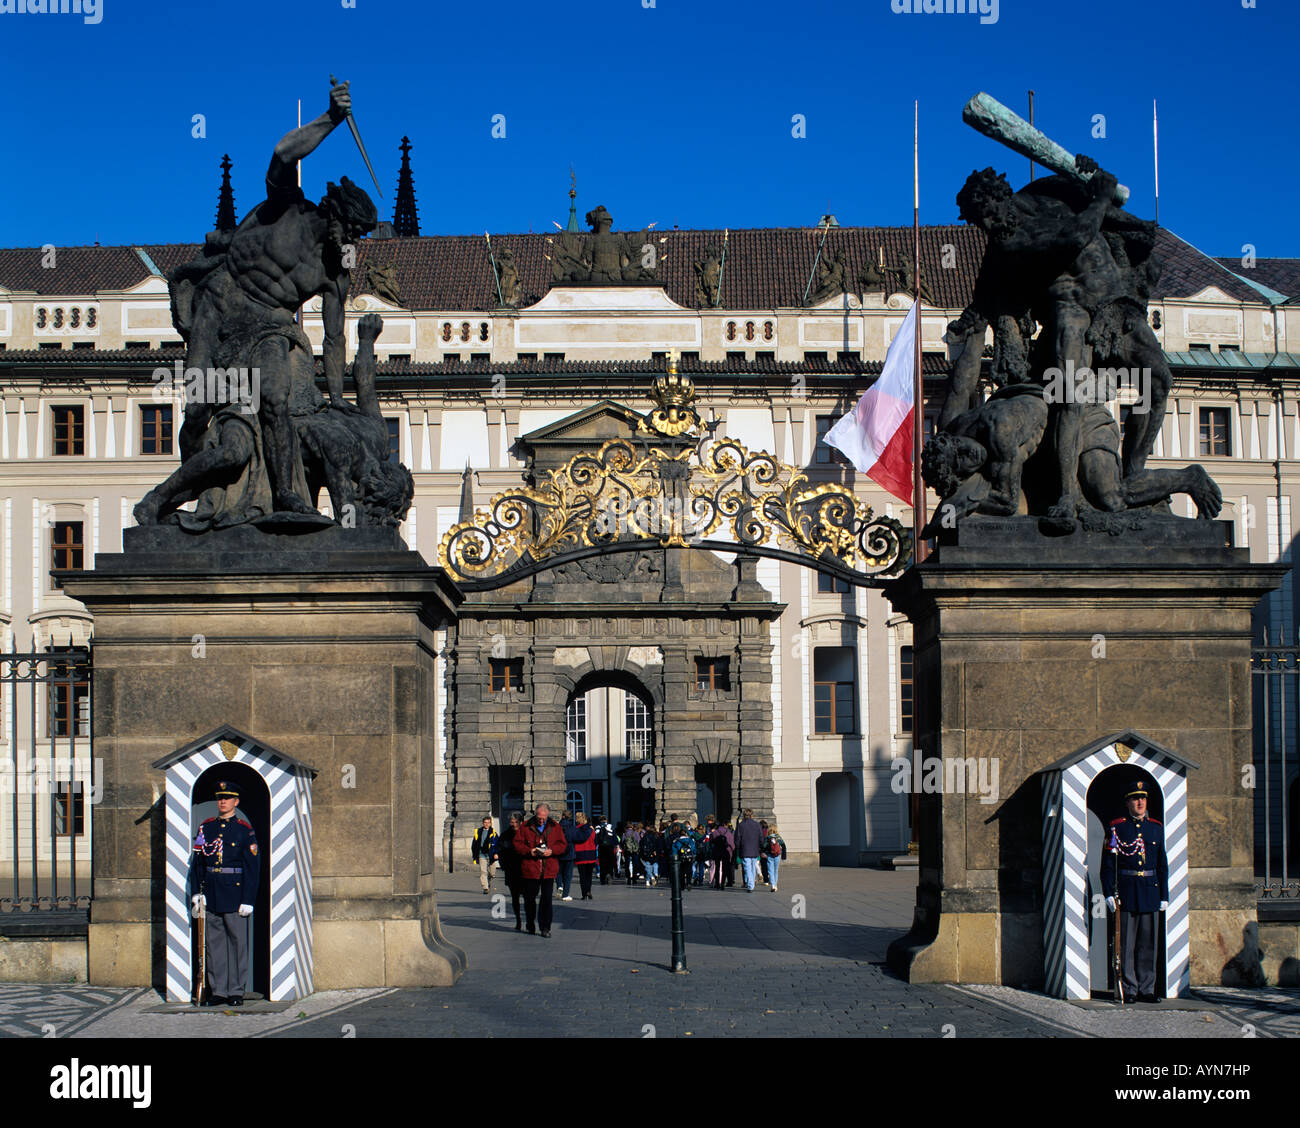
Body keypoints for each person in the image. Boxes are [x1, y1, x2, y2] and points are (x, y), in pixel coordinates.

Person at [190, 780, 261, 1006]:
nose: (222, 801)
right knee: (214, 945)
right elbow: (199, 862)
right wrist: (196, 892)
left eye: (227, 798)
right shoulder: (206, 827)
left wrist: (248, 899)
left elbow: (252, 867)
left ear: (235, 802)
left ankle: (236, 991)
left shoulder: (243, 830)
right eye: (220, 797)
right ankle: (219, 990)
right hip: (212, 891)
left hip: (235, 893)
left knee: (238, 944)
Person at [1101, 780, 1169, 1003]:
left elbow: (1162, 864)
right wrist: (1109, 892)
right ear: (1128, 802)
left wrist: (1164, 896)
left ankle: (1147, 988)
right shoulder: (1117, 828)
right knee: (1126, 944)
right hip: (1127, 892)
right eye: (1135, 798)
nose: (1140, 802)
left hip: (1150, 891)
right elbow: (1109, 864)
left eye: (1143, 798)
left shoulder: (1156, 828)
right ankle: (1129, 988)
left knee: (1148, 944)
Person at [513, 803, 568, 937]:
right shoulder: (525, 826)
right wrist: (529, 851)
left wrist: (552, 851)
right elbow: (517, 843)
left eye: (543, 818)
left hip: (548, 869)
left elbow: (563, 845)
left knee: (547, 899)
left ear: (547, 815)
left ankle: (545, 927)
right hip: (531, 869)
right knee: (530, 899)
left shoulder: (555, 826)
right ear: (535, 814)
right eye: (539, 818)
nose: (541, 820)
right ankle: (530, 922)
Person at [499, 811, 525, 930]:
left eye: (516, 822)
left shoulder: (526, 834)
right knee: (515, 897)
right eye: (512, 822)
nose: (514, 824)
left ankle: (529, 919)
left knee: (528, 897)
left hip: (525, 870)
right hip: (511, 870)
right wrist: (504, 866)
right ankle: (518, 920)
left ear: (521, 822)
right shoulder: (505, 835)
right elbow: (501, 852)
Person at [571, 811, 599, 900]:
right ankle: (588, 891)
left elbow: (573, 840)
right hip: (590, 854)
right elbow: (596, 842)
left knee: (582, 876)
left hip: (580, 855)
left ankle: (584, 893)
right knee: (589, 875)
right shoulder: (591, 830)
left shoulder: (575, 830)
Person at [735, 809, 763, 892]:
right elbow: (761, 837)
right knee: (752, 867)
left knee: (747, 868)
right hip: (755, 849)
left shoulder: (741, 825)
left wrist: (737, 847)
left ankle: (750, 885)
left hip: (744, 849)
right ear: (752, 815)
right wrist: (760, 847)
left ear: (744, 815)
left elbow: (737, 838)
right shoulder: (757, 825)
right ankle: (751, 884)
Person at [470, 814, 499, 894]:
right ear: (483, 823)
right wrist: (475, 854)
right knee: (483, 872)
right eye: (485, 822)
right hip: (481, 854)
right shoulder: (478, 832)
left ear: (490, 823)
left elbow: (498, 844)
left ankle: (488, 881)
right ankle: (485, 887)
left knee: (492, 873)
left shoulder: (493, 833)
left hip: (491, 854)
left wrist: (496, 853)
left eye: (488, 822)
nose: (486, 824)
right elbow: (474, 844)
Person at [557, 809, 577, 901]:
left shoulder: (557, 826)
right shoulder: (572, 827)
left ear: (562, 816)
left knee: (559, 872)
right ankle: (565, 895)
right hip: (569, 853)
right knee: (568, 875)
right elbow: (576, 838)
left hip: (559, 851)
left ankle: (559, 885)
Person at [763, 823, 787, 893]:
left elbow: (764, 846)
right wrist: (784, 856)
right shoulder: (778, 837)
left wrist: (764, 852)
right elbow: (784, 846)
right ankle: (775, 885)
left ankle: (773, 885)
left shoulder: (767, 838)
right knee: (775, 871)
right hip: (777, 856)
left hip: (770, 856)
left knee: (770, 871)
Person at [596, 815, 618, 885]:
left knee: (602, 863)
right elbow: (615, 837)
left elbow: (595, 838)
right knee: (610, 862)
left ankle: (602, 878)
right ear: (606, 820)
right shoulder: (610, 826)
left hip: (601, 847)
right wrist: (616, 845)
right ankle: (609, 874)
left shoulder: (598, 827)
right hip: (610, 847)